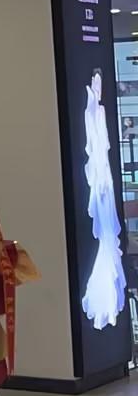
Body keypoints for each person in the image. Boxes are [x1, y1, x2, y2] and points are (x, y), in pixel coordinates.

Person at [82, 69, 127, 329]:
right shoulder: (93, 114)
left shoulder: (96, 114)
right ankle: (106, 306)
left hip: (103, 181)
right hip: (102, 181)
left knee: (108, 241)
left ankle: (107, 306)